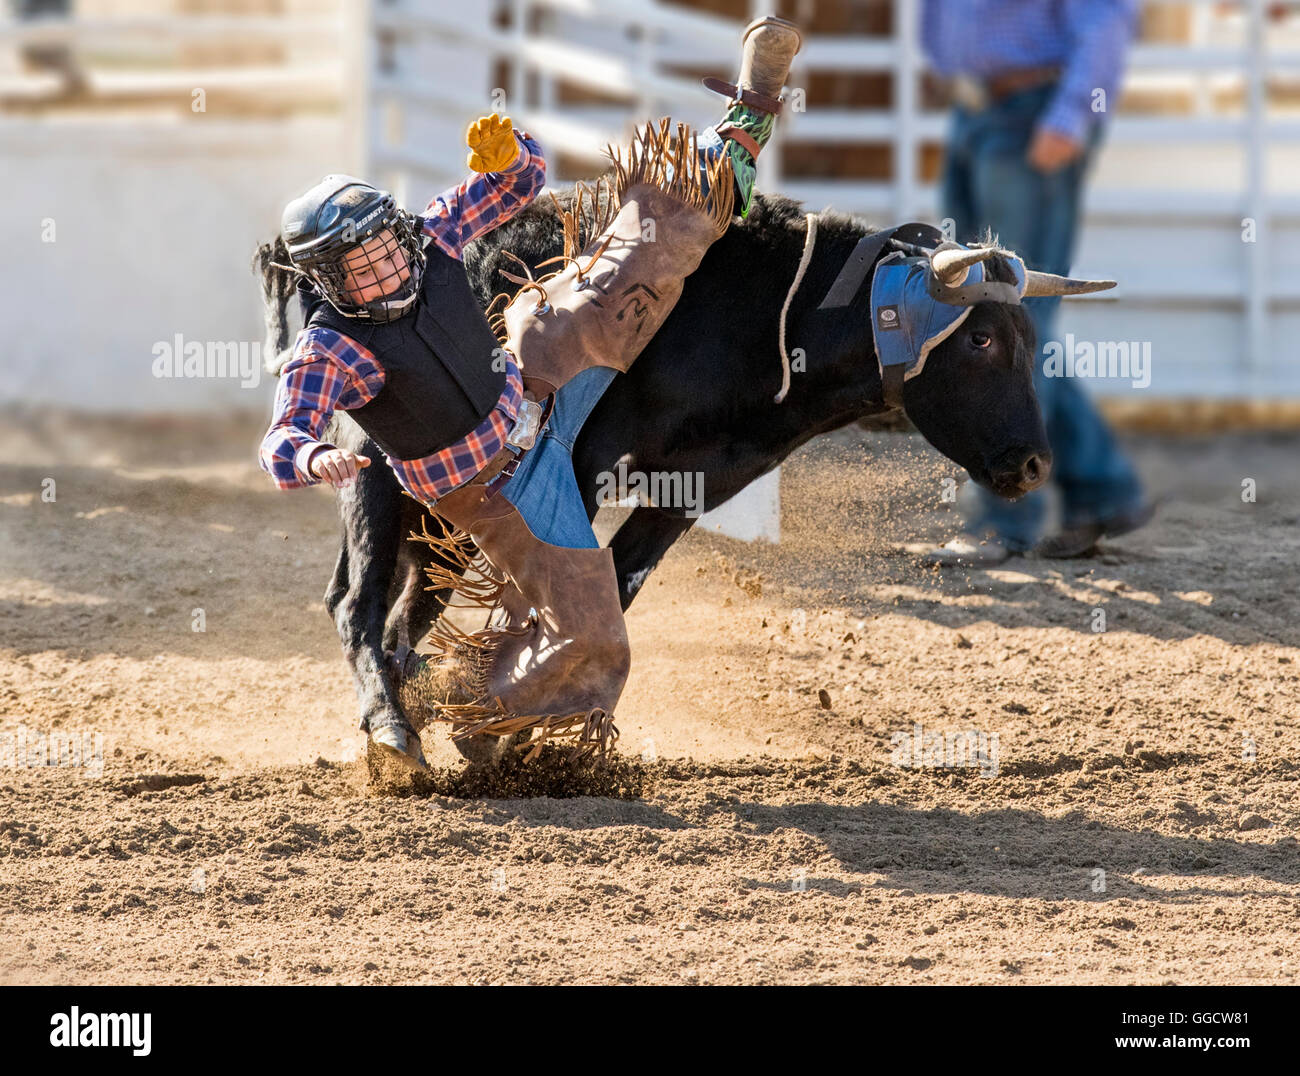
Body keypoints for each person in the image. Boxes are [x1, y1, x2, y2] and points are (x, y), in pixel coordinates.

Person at [257, 17, 803, 769]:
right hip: (498, 488)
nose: (384, 267)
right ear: (326, 280)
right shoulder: (329, 348)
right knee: (594, 638)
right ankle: (471, 705)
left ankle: (745, 117)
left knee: (645, 250)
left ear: (395, 229)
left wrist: (510, 155)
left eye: (385, 245)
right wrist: (312, 457)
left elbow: (519, 185)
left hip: (532, 378)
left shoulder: (431, 236)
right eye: (361, 264)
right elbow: (280, 439)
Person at [920, 0, 1154, 565]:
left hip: (1032, 113)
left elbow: (1108, 17)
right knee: (997, 318)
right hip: (977, 111)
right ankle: (1104, 487)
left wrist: (1071, 114)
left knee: (1011, 323)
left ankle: (1007, 520)